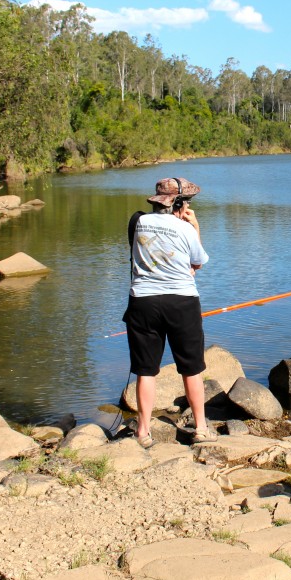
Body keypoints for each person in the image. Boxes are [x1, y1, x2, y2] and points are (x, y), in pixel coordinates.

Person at [125, 177, 215, 447]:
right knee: (191, 368)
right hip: (181, 302)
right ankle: (200, 427)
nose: (188, 205)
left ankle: (143, 432)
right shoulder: (185, 229)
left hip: (143, 302)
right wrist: (195, 226)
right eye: (186, 201)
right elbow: (197, 264)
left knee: (146, 370)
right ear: (178, 203)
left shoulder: (137, 221)